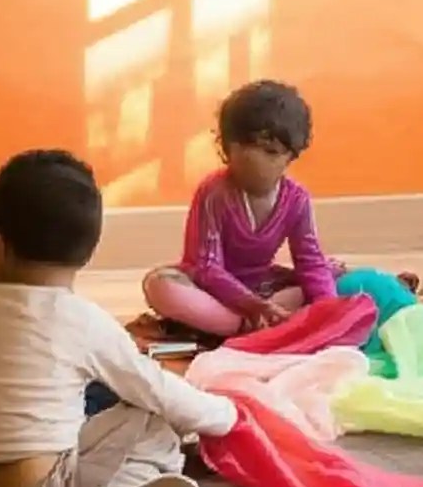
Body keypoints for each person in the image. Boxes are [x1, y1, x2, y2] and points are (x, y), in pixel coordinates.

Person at [0, 149, 237, 487]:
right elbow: (156, 389)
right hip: (45, 486)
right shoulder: (84, 321)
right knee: (151, 417)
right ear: (90, 250)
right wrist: (226, 414)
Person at [141, 80, 340, 338]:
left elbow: (309, 262)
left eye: (270, 152)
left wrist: (329, 312)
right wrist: (251, 305)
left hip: (265, 288)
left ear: (290, 156)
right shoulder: (213, 193)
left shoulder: (297, 199)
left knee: (329, 277)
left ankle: (258, 322)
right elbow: (206, 267)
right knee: (160, 285)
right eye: (244, 149)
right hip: (212, 291)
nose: (255, 161)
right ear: (227, 148)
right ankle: (241, 326)